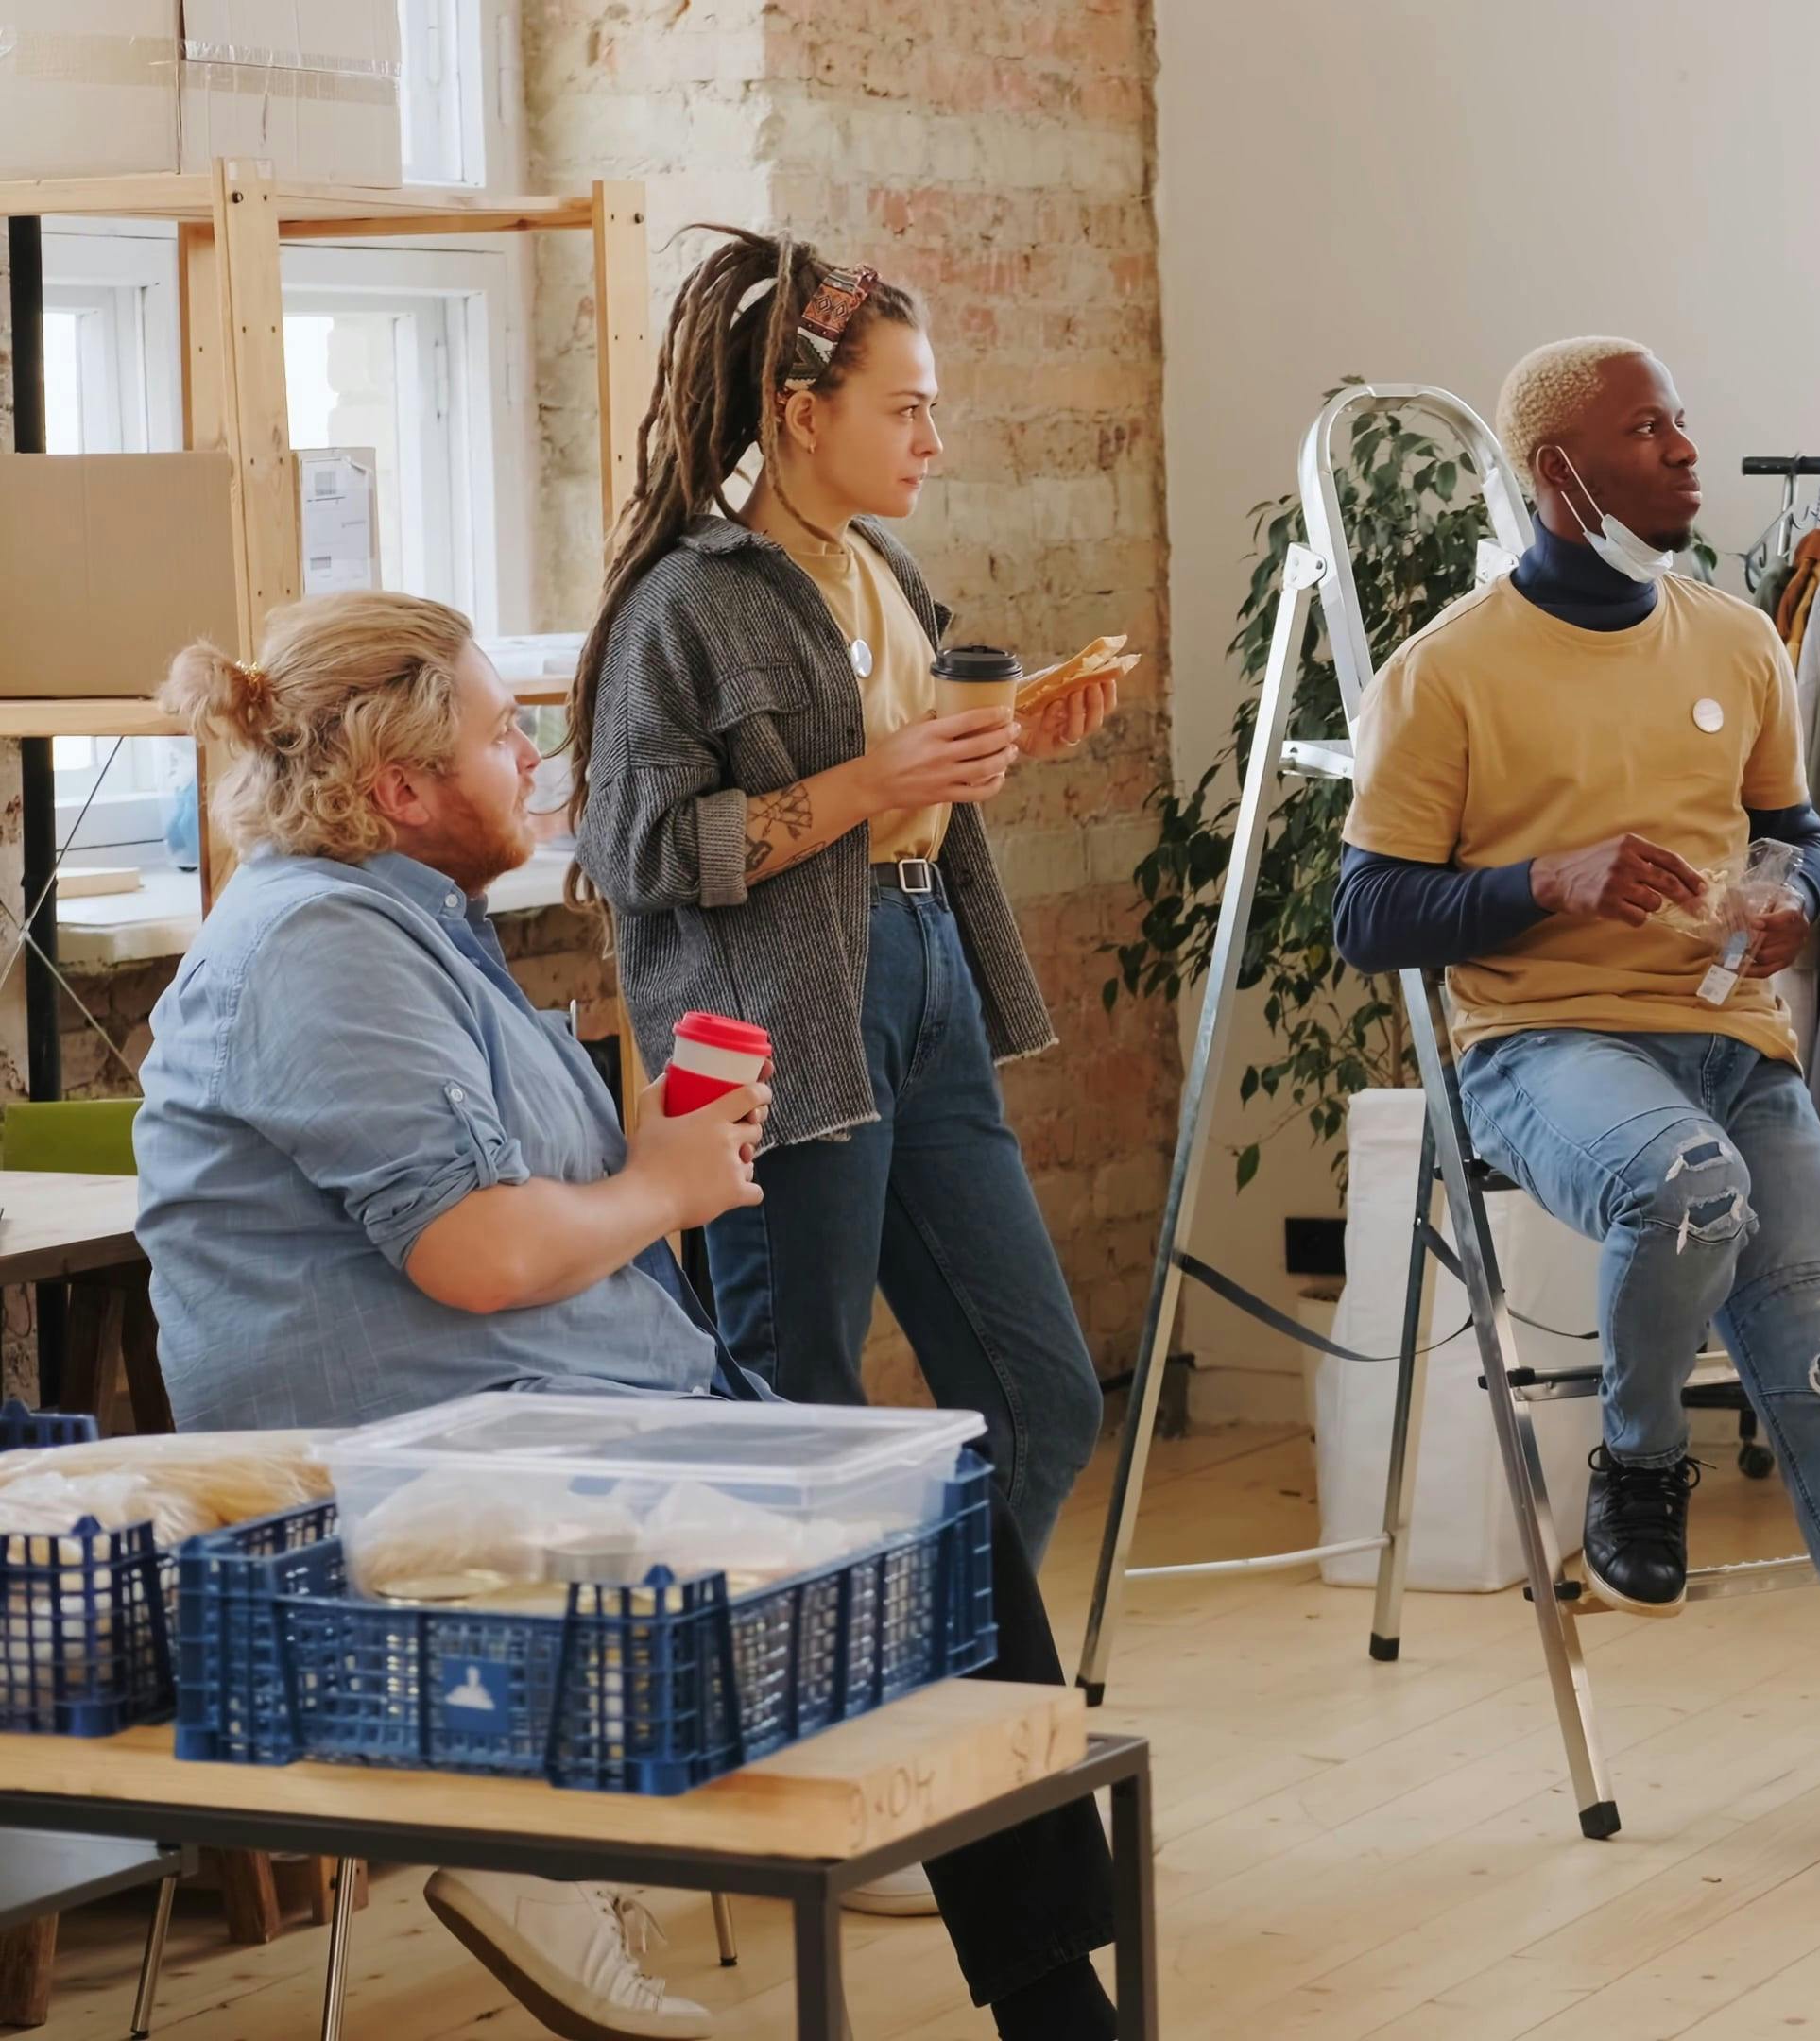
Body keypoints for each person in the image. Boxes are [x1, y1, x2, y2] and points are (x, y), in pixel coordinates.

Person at [134, 592, 1124, 2041]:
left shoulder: (399, 923)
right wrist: (660, 1184)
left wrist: (664, 1163)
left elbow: (510, 1207)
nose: (533, 755)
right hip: (437, 1481)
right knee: (935, 1531)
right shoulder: (320, 950)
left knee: (940, 1519)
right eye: (499, 733)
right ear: (399, 789)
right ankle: (559, 1838)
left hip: (523, 1434)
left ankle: (593, 1848)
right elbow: (475, 1254)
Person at [1331, 336, 1820, 1902]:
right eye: (1646, 432)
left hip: (1731, 1041)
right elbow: (1365, 910)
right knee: (1689, 1187)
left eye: (1682, 421)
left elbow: (1799, 839)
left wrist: (1794, 896)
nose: (1686, 450)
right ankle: (1639, 1467)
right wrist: (1541, 885)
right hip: (1538, 1046)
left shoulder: (1736, 641)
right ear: (1560, 476)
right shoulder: (1445, 669)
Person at [574, 230, 1120, 1579]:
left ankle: (922, 1679)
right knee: (794, 1407)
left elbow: (903, 785)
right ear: (799, 413)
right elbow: (634, 846)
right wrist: (871, 781)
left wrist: (1005, 744)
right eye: (907, 405)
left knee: (1040, 1398)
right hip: (774, 1025)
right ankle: (808, 1712)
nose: (933, 436)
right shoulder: (683, 606)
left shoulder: (884, 570)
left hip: (922, 972)